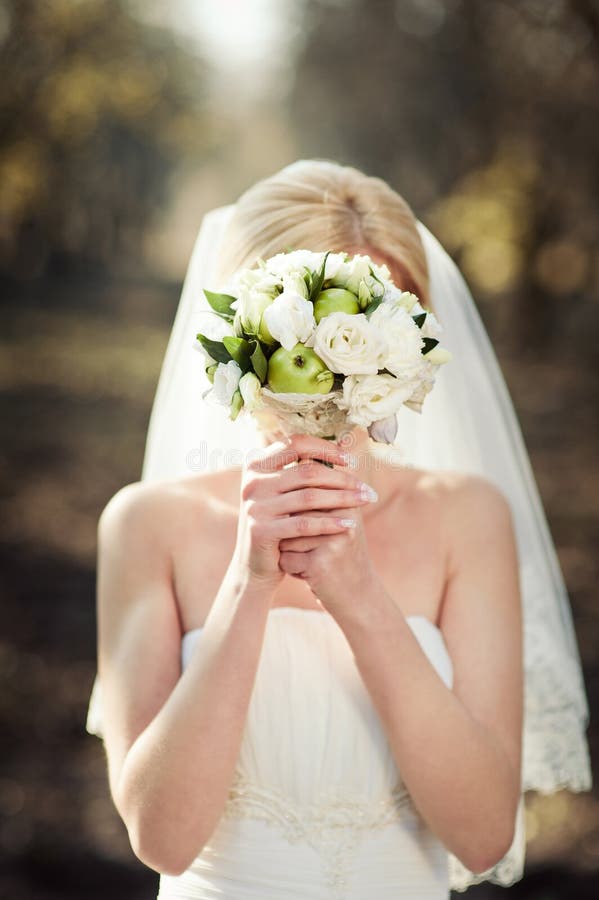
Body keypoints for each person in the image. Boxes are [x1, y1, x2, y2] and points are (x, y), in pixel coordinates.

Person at [86, 159, 592, 899]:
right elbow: (162, 839)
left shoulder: (469, 517)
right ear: (241, 340)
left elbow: (484, 838)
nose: (333, 377)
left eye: (367, 337)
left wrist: (358, 594)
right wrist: (249, 581)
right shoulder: (146, 523)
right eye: (308, 337)